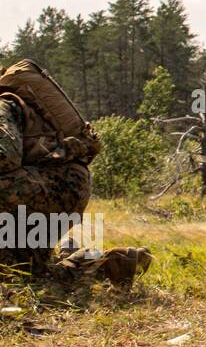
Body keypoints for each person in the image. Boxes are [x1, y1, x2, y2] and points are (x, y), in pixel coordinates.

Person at [0, 59, 151, 290]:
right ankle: (110, 262)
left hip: (50, 187)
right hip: (54, 189)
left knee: (18, 278)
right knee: (23, 276)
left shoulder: (3, 104)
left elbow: (5, 158)